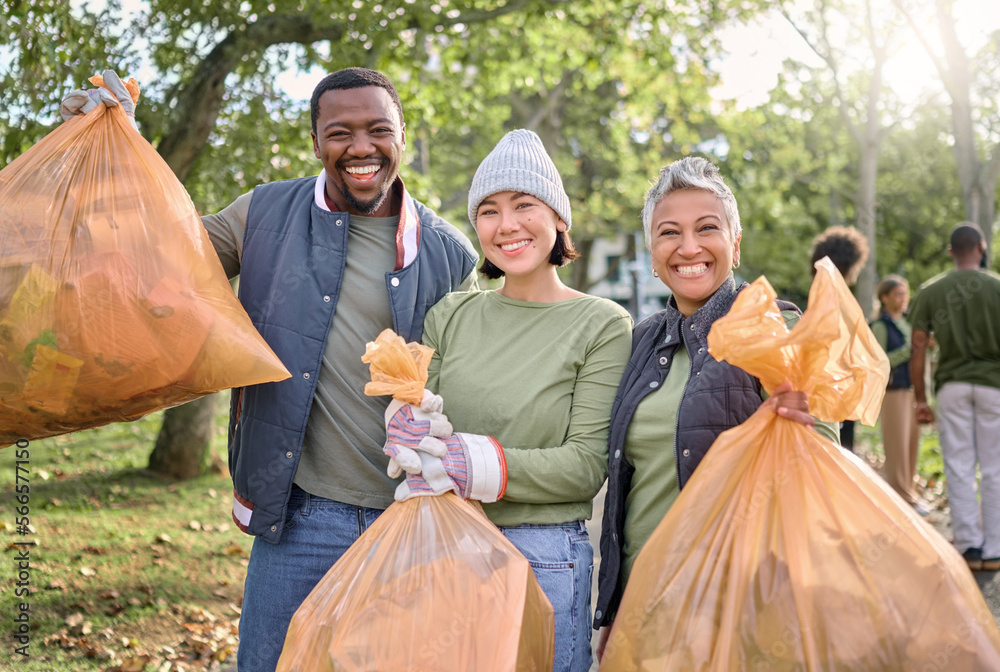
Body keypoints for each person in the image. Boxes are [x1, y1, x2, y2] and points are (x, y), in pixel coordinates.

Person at [62, 68, 480, 670]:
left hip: (408, 520)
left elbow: (472, 382)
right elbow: (154, 257)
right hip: (301, 516)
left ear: (402, 137)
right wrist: (115, 149)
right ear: (315, 142)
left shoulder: (447, 252)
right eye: (340, 132)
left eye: (377, 129)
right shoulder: (263, 215)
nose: (360, 147)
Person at [394, 129, 633, 672]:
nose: (507, 226)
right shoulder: (450, 315)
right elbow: (420, 411)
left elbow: (584, 467)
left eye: (525, 205)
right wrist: (405, 427)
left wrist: (471, 460)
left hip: (543, 558)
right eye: (489, 211)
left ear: (558, 219)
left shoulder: (602, 325)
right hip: (444, 548)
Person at [592, 156, 840, 660]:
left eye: (707, 228)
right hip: (646, 601)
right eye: (669, 233)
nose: (688, 248)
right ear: (652, 250)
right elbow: (630, 484)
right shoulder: (638, 341)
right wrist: (614, 606)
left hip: (741, 603)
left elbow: (824, 456)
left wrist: (803, 422)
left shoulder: (775, 329)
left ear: (736, 241)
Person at [909, 223, 1000, 572]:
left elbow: (918, 348)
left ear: (951, 252)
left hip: (953, 388)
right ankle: (994, 549)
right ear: (981, 246)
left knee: (960, 466)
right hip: (994, 386)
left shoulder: (932, 291)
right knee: (994, 468)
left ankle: (969, 546)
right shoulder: (996, 287)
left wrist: (920, 398)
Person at [870, 275, 928, 515]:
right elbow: (879, 360)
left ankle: (909, 493)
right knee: (897, 445)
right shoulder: (880, 326)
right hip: (893, 392)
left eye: (906, 294)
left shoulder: (907, 322)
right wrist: (912, 348)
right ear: (885, 298)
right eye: (898, 295)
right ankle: (900, 497)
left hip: (912, 391)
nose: (904, 299)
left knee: (912, 444)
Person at [809, 225, 870, 452]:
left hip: (823, 386)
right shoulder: (836, 299)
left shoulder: (817, 295)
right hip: (835, 385)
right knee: (839, 452)